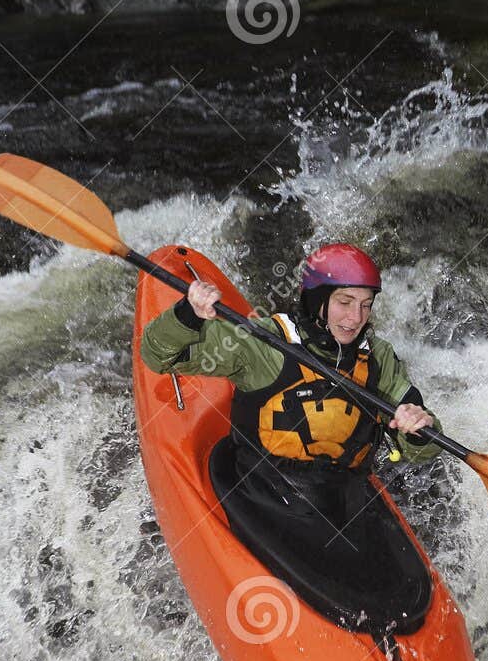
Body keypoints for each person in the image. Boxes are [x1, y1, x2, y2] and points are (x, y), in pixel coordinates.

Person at [138, 243, 443, 634]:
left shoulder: (378, 359)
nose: (355, 318)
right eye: (344, 302)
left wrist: (419, 427)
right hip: (265, 493)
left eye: (366, 305)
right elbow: (159, 355)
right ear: (317, 300)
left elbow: (424, 448)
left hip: (342, 501)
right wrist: (188, 314)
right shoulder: (262, 344)